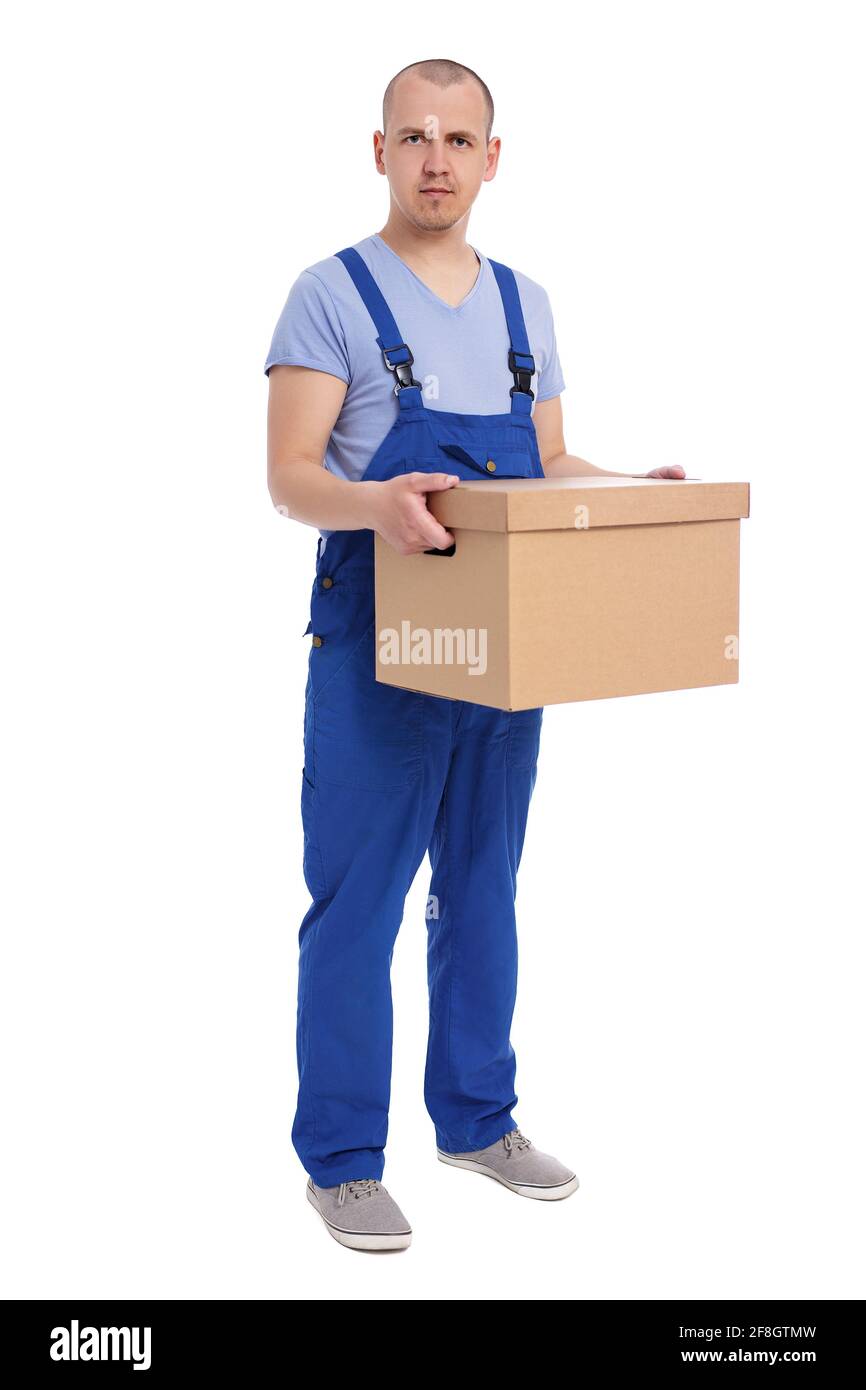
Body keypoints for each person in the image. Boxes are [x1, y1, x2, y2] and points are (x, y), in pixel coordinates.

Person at [264, 58, 685, 1253]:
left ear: (490, 158)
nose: (436, 158)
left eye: (458, 138)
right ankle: (342, 1160)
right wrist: (377, 502)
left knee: (482, 886)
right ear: (380, 151)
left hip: (508, 638)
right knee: (357, 902)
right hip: (377, 645)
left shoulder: (524, 304)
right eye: (413, 136)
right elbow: (290, 475)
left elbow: (548, 462)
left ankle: (477, 1120)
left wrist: (639, 491)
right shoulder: (329, 293)